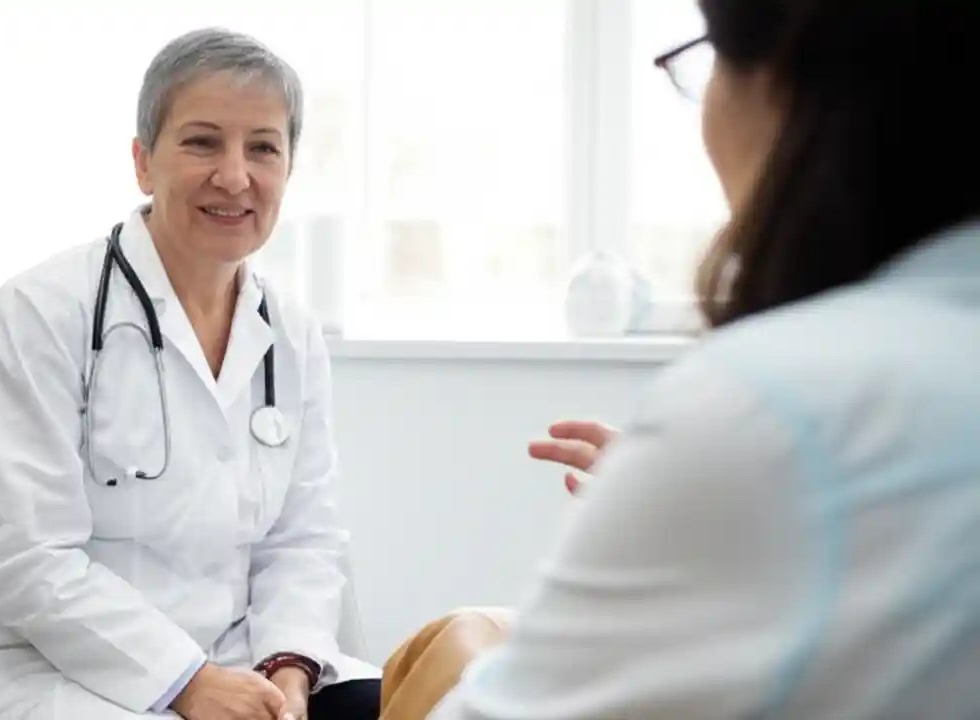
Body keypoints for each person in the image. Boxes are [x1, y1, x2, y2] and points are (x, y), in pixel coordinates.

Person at [386, 0, 980, 717]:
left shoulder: (781, 400)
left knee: (459, 641)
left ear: (780, 74)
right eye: (207, 143)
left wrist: (715, 471)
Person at [0, 28, 381, 720]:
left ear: (288, 169)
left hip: (239, 658)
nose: (235, 176)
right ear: (143, 163)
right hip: (50, 669)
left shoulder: (291, 329)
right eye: (203, 142)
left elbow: (304, 539)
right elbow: (23, 560)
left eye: (262, 147)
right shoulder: (43, 311)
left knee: (408, 701)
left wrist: (287, 669)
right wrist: (190, 682)